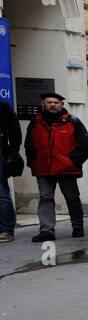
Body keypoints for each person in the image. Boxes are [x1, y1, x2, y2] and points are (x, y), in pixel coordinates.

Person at [24, 91, 88, 241]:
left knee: (72, 198)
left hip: (67, 169)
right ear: (43, 104)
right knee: (45, 198)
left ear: (61, 104)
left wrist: (72, 162)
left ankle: (78, 226)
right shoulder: (35, 122)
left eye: (56, 102)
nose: (53, 105)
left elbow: (85, 146)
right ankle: (47, 230)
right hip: (42, 168)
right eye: (49, 102)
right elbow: (29, 144)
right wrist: (32, 161)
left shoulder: (72, 121)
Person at [0, 99, 23, 242]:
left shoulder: (3, 109)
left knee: (1, 193)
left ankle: (6, 230)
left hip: (0, 155)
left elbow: (16, 135)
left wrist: (12, 155)